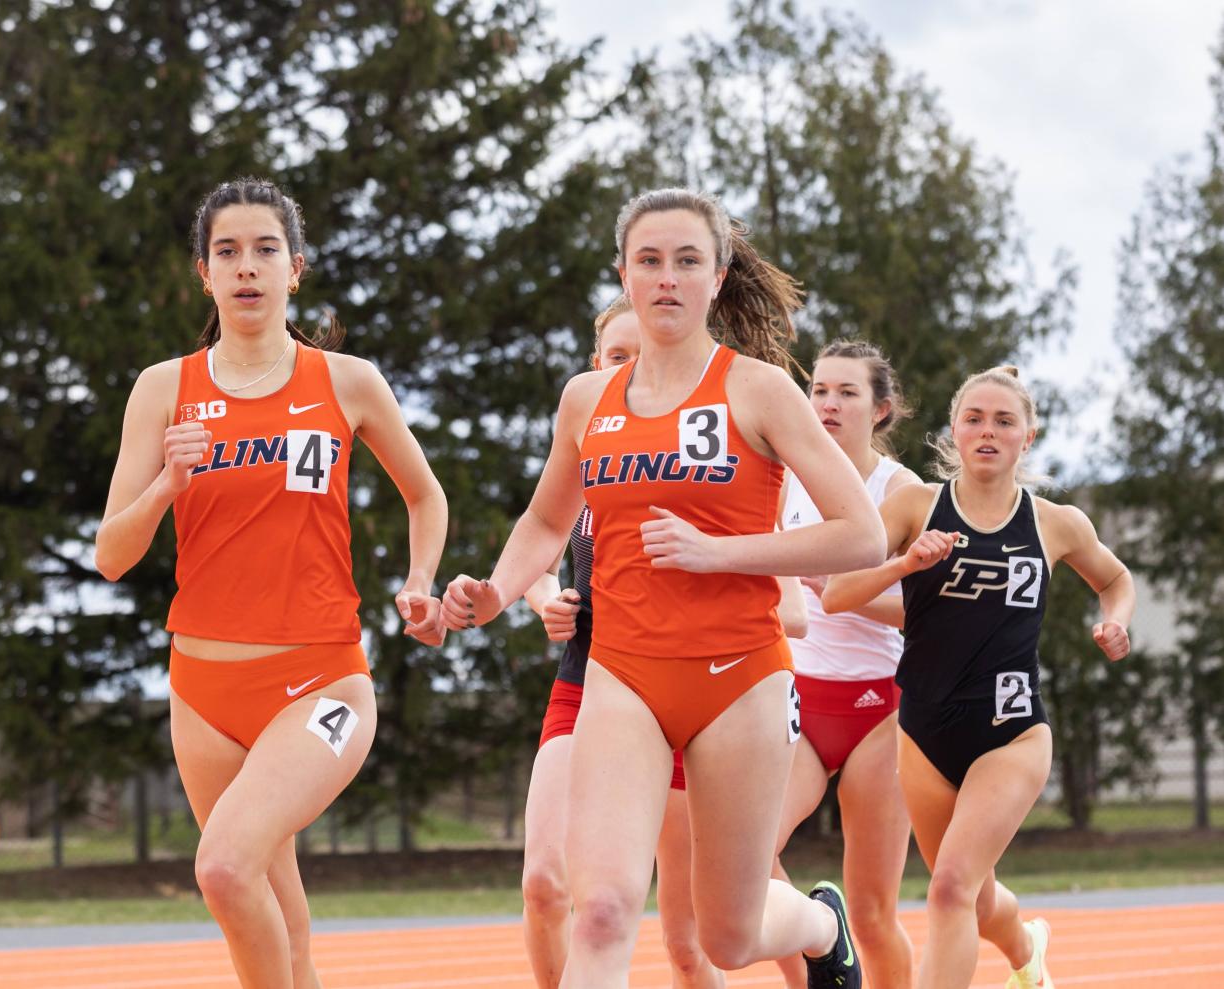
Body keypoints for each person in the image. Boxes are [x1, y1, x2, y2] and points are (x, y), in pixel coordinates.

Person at [442, 187, 886, 989]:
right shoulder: (587, 399)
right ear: (624, 273)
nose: (667, 279)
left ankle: (820, 924)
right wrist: (496, 590)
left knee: (727, 933)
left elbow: (861, 533)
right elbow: (547, 522)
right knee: (603, 910)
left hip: (738, 680)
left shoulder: (757, 389)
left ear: (716, 277)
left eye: (687, 261)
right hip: (622, 676)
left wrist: (718, 554)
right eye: (649, 261)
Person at [95, 177, 447, 988]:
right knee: (279, 917)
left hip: (319, 682)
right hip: (204, 692)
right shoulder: (163, 388)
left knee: (222, 868)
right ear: (203, 273)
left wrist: (419, 578)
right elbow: (112, 553)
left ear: (295, 268)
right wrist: (163, 487)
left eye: (263, 250)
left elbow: (424, 495)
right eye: (227, 251)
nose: (245, 268)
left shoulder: (346, 381)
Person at [521, 295, 809, 989]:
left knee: (698, 939)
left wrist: (712, 556)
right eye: (616, 357)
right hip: (596, 685)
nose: (632, 368)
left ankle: (821, 949)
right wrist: (539, 600)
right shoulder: (589, 479)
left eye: (637, 354)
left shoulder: (713, 476)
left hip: (711, 691)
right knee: (550, 887)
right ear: (598, 369)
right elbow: (538, 548)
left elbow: (792, 608)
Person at [821, 365, 1134, 989]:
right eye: (974, 419)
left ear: (1028, 436)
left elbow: (1116, 579)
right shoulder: (915, 506)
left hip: (1011, 734)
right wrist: (906, 562)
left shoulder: (1056, 523)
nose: (987, 431)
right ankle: (1028, 949)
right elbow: (837, 592)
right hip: (924, 733)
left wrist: (1116, 622)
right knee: (976, 897)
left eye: (1003, 421)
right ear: (954, 432)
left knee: (948, 890)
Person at [772, 339, 919, 989]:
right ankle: (818, 961)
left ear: (880, 409)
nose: (827, 403)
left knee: (873, 909)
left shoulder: (902, 490)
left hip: (879, 707)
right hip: (798, 697)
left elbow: (930, 612)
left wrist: (837, 581)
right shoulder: (783, 480)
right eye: (818, 391)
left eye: (845, 392)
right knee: (746, 858)